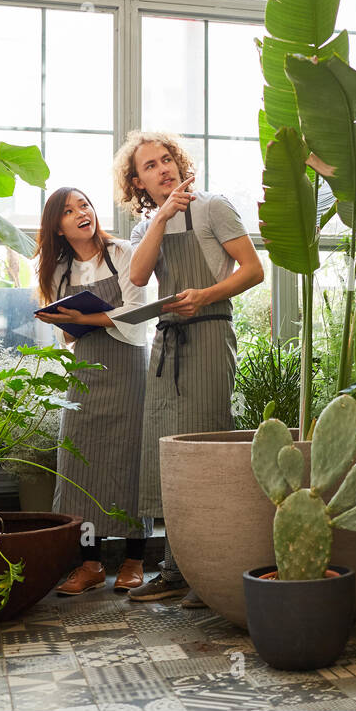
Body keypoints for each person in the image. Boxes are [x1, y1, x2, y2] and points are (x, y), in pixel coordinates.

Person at [115, 131, 264, 606]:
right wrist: (160, 216)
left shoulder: (213, 207)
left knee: (206, 448)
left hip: (209, 334)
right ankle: (178, 570)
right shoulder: (146, 227)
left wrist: (204, 295)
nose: (163, 169)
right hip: (166, 345)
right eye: (150, 166)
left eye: (166, 160)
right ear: (138, 182)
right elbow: (138, 277)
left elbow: (252, 270)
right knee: (169, 455)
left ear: (179, 162)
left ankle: (212, 571)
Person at [33, 187, 151, 595]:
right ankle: (90, 563)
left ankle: (135, 560)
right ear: (59, 228)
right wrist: (68, 321)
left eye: (85, 204)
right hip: (84, 370)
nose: (82, 212)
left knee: (132, 459)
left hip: (129, 368)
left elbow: (138, 315)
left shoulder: (123, 252)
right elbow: (67, 337)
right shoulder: (57, 271)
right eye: (69, 211)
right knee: (78, 465)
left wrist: (87, 314)